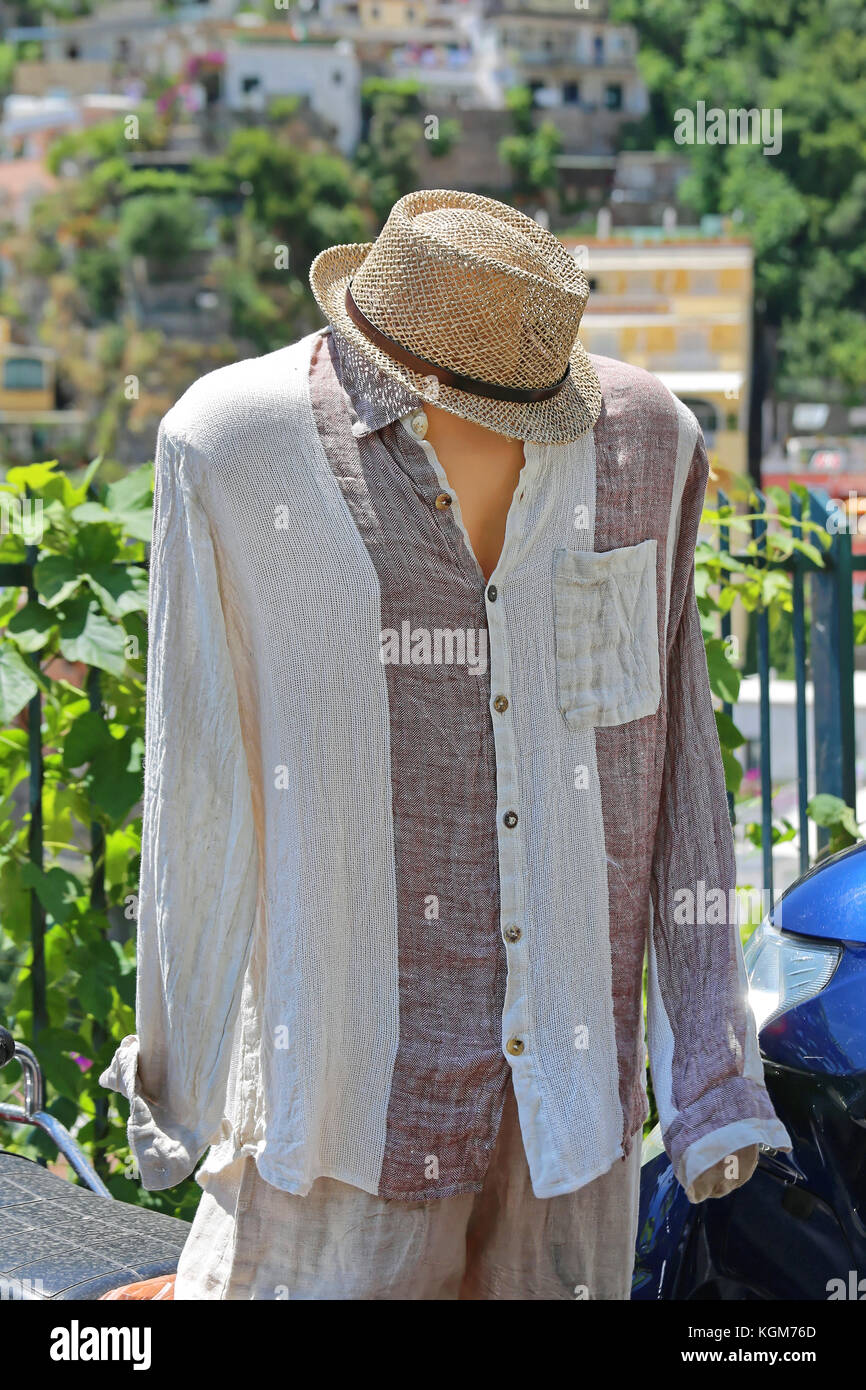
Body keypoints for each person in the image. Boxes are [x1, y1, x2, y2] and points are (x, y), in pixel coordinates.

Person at [100, 188, 791, 1300]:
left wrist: (707, 1077)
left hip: (573, 1119)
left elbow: (679, 786)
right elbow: (199, 793)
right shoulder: (232, 447)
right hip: (343, 1099)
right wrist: (177, 1083)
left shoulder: (650, 446)